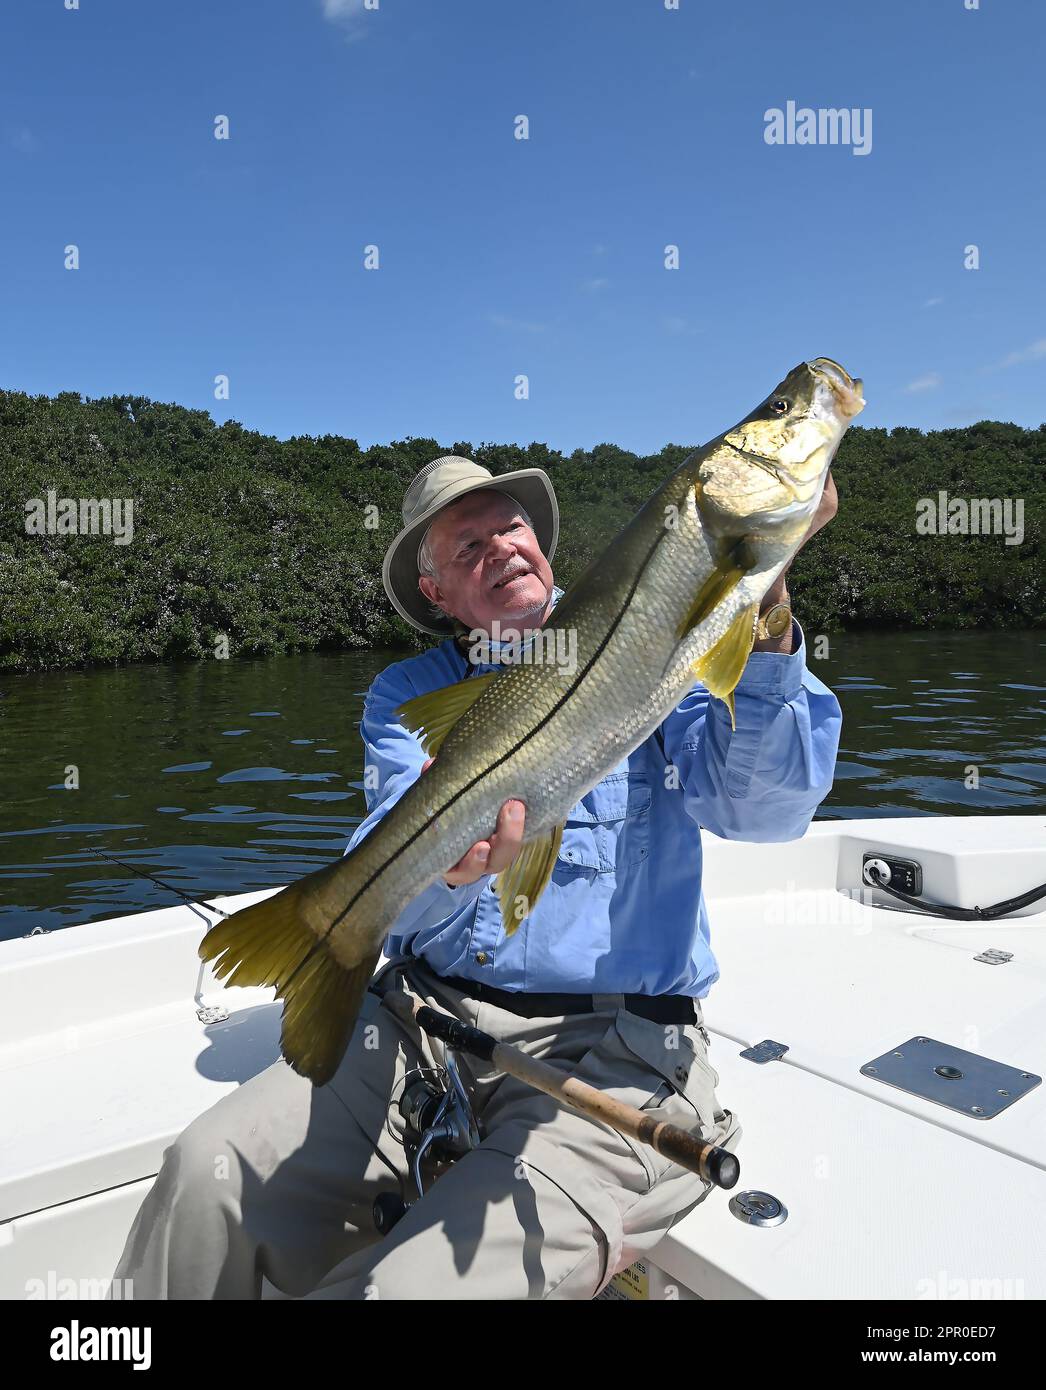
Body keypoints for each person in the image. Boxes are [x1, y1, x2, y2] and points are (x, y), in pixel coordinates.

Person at [112, 454, 841, 1300]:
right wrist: (442, 869)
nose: (500, 548)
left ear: (545, 547)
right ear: (437, 595)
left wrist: (768, 607)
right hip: (425, 1025)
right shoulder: (405, 696)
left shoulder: (662, 637)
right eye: (467, 546)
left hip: (614, 1056)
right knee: (205, 1175)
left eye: (511, 527)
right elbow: (406, 894)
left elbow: (766, 813)